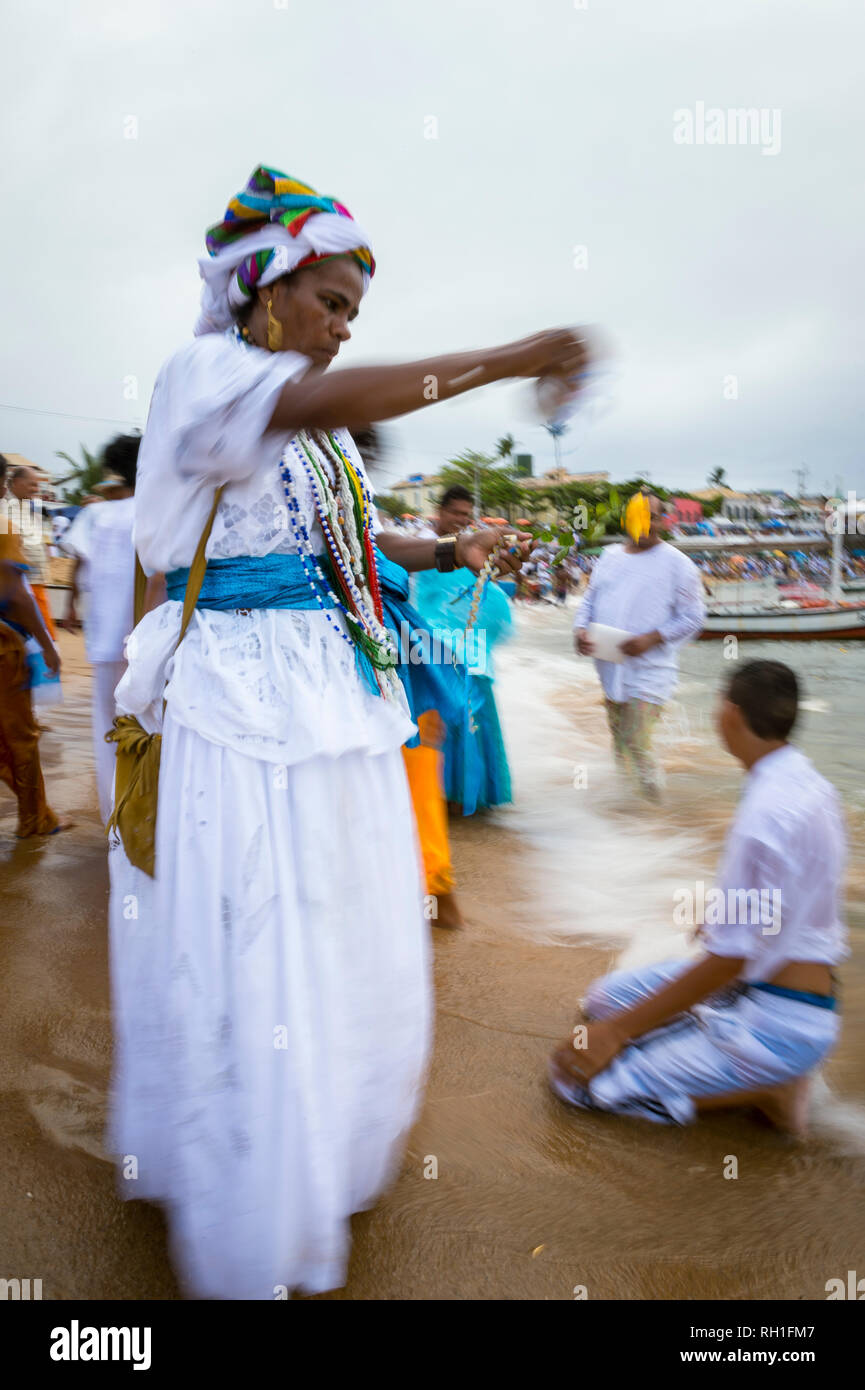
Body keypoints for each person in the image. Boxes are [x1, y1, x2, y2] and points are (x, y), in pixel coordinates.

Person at [107, 163, 591, 1299]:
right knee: (264, 929)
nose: (338, 330)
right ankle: (248, 1199)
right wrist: (511, 357)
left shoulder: (303, 424)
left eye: (352, 314)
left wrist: (437, 554)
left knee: (330, 923)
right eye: (328, 302)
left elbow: (342, 549)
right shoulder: (209, 373)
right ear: (262, 287)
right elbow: (324, 406)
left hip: (327, 687)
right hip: (250, 696)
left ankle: (314, 1152)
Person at [549, 660, 846, 1136]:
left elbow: (732, 958)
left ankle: (772, 1088)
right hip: (789, 989)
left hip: (776, 1016)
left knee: (577, 1084)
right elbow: (791, 899)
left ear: (729, 713)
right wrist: (724, 914)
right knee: (603, 1000)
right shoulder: (813, 786)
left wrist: (620, 1034)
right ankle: (704, 1040)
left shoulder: (762, 813)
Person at [574, 493, 704, 798]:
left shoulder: (678, 564)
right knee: (620, 743)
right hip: (610, 667)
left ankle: (654, 808)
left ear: (661, 520)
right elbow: (590, 600)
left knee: (636, 741)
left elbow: (694, 618)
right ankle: (630, 811)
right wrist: (579, 629)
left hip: (652, 670)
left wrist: (652, 638)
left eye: (652, 516)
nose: (644, 523)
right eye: (637, 516)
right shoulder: (609, 557)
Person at [411, 486, 514, 815]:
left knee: (474, 710)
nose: (460, 520)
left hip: (467, 647)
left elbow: (485, 591)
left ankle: (470, 794)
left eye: (465, 515)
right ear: (439, 511)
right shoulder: (420, 544)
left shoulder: (471, 548)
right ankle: (436, 793)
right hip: (427, 647)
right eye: (454, 512)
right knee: (441, 714)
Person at [60, 435, 140, 823]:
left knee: (109, 729)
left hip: (106, 639)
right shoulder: (160, 510)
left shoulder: (96, 514)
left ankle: (116, 816)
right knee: (154, 725)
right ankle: (152, 810)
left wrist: (72, 602)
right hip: (152, 639)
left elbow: (77, 558)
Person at [0, 527, 69, 837]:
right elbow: (15, 595)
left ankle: (41, 814)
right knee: (20, 737)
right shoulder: (3, 529)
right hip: (4, 650)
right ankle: (35, 819)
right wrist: (47, 646)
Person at [6, 465, 57, 640]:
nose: (36, 490)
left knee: (40, 630)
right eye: (32, 484)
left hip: (36, 581)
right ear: (17, 482)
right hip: (19, 583)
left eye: (37, 486)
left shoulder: (29, 508)